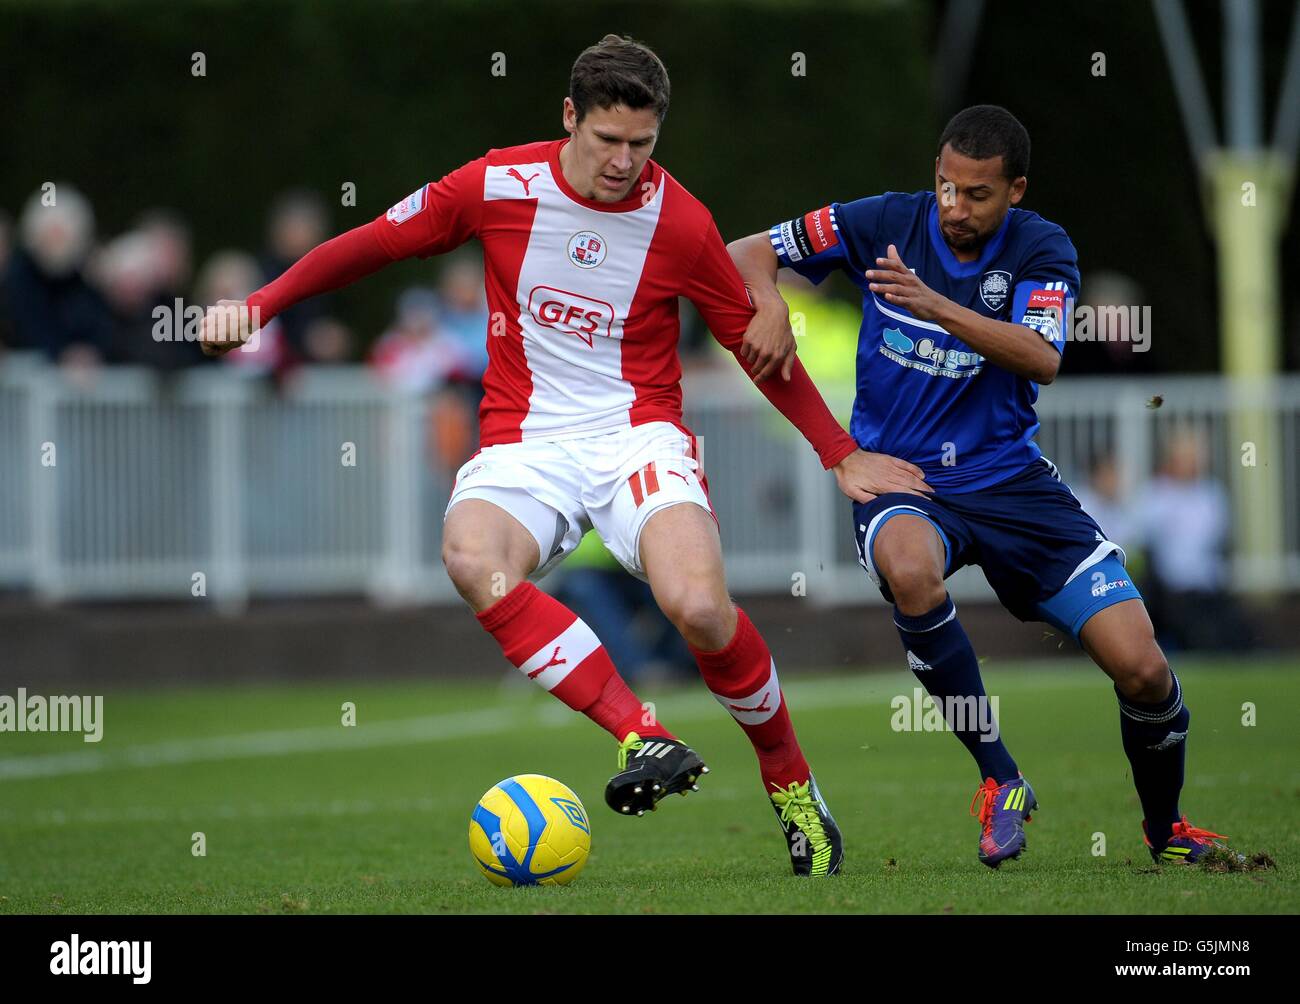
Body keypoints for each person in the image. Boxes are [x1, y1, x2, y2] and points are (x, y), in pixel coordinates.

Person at [198, 35, 918, 877]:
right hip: (524, 440)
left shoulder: (680, 221)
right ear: (568, 116)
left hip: (637, 433)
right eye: (606, 140)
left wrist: (839, 454)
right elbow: (374, 242)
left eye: (641, 146)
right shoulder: (499, 184)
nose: (622, 163)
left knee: (699, 608)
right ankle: (641, 736)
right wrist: (261, 304)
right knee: (472, 557)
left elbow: (756, 348)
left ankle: (792, 785)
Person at [728, 104, 1237, 868]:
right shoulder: (879, 222)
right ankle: (1000, 778)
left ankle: (1166, 832)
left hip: (1010, 481)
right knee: (907, 565)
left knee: (1142, 667)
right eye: (945, 188)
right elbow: (743, 251)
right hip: (905, 477)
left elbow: (1041, 356)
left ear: (1016, 191)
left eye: (976, 194)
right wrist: (769, 298)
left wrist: (933, 304)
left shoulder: (1042, 248)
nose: (954, 208)